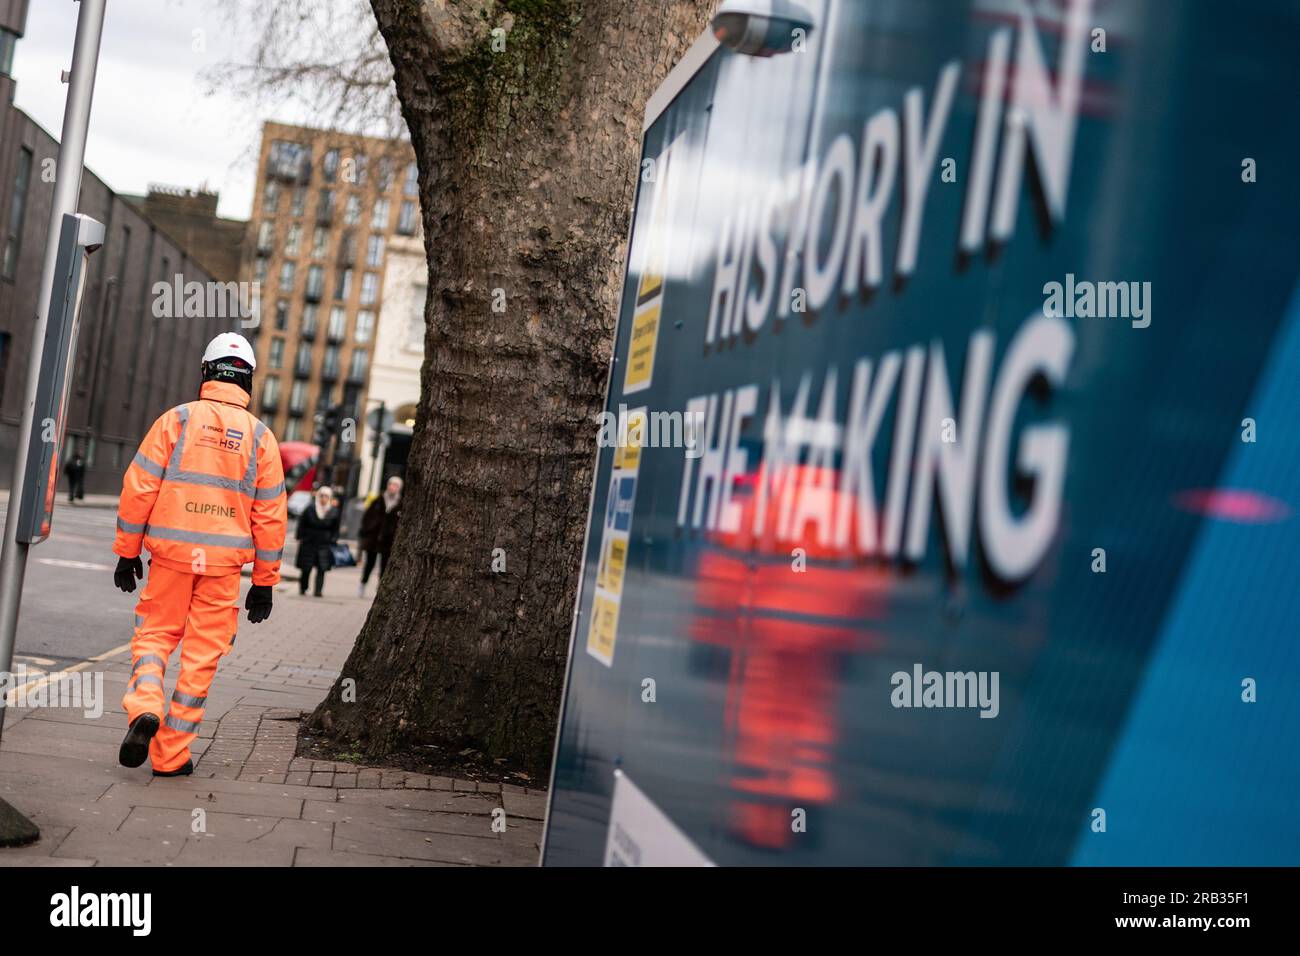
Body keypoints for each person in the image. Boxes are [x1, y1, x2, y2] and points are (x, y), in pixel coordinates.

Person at [111, 332, 286, 778]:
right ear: (248, 380)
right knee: (202, 657)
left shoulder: (177, 420)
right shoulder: (261, 439)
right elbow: (270, 517)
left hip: (170, 559)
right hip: (223, 569)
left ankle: (145, 708)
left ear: (207, 373)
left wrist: (127, 552)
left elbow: (140, 488)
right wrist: (264, 582)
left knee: (154, 638)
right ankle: (170, 757)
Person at [357, 475, 402, 597]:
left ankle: (380, 590)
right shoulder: (378, 500)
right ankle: (362, 584)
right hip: (374, 538)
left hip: (389, 541)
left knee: (385, 566)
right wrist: (367, 530)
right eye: (391, 484)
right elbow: (367, 517)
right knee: (369, 564)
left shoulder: (401, 504)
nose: (393, 487)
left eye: (396, 485)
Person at [295, 485, 341, 597]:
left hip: (324, 543)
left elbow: (336, 528)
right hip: (309, 541)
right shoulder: (310, 508)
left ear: (329, 497)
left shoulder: (334, 511)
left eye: (326, 496)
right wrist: (300, 537)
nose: (323, 498)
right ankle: (303, 588)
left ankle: (318, 591)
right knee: (306, 567)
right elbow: (302, 524)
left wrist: (333, 539)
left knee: (322, 568)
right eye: (321, 496)